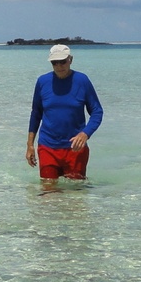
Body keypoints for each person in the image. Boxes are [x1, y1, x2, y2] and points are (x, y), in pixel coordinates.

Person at [25, 44, 103, 186]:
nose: (59, 66)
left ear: (70, 60)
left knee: (75, 199)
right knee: (48, 194)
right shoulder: (42, 82)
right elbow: (36, 113)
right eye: (55, 62)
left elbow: (97, 111)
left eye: (63, 61)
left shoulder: (82, 81)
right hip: (47, 146)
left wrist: (85, 134)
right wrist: (30, 144)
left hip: (75, 149)